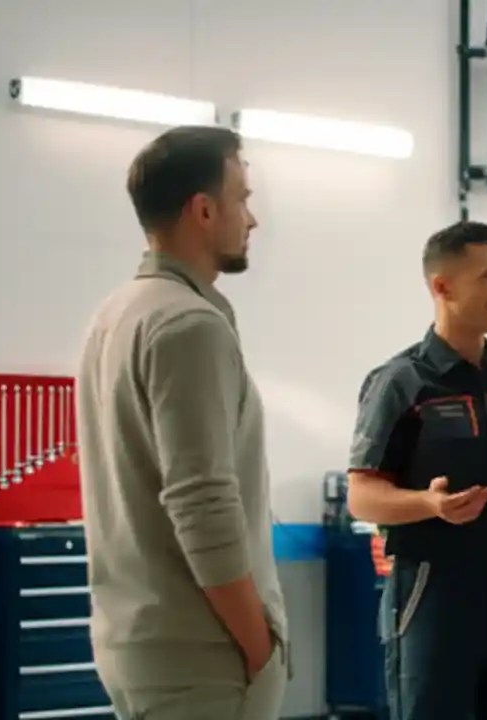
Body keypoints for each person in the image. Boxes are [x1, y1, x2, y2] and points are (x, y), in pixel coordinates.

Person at [74, 126, 288, 719]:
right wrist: (258, 643)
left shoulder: (114, 317)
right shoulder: (189, 325)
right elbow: (201, 501)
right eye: (242, 198)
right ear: (203, 209)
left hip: (139, 641)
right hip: (201, 655)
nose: (253, 219)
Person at [347, 220, 487, 719]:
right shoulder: (401, 382)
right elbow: (363, 495)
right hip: (432, 598)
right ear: (442, 287)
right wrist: (429, 504)